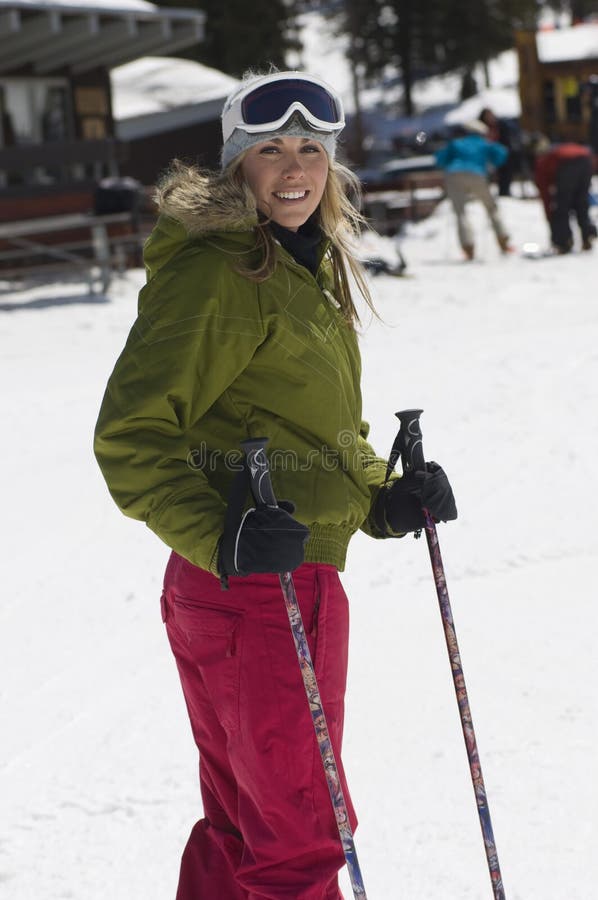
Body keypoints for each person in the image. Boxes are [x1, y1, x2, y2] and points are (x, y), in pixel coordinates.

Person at [94, 69, 457, 900]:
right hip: (260, 586)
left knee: (248, 824)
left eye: (309, 149)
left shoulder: (294, 262)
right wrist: (221, 533)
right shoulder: (223, 273)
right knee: (297, 834)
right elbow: (131, 436)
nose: (293, 167)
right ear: (236, 167)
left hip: (248, 578)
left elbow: (304, 431)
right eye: (268, 149)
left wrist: (381, 495)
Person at [435, 120, 511, 260]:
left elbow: (440, 159)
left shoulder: (456, 143)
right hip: (477, 174)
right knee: (491, 207)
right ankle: (503, 240)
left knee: (460, 212)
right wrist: (493, 164)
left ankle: (468, 248)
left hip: (454, 174)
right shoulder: (484, 143)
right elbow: (502, 154)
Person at [531, 134, 595, 253]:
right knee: (581, 203)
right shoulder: (556, 150)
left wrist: (549, 214)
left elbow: (545, 193)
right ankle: (587, 235)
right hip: (586, 160)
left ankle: (563, 241)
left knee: (561, 206)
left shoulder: (543, 162)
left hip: (568, 165)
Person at [478, 107, 521, 197]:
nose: (490, 117)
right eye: (488, 116)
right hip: (485, 154)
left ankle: (504, 191)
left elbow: (506, 140)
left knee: (506, 168)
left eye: (491, 115)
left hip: (500, 153)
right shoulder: (480, 127)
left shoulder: (501, 125)